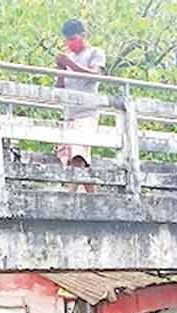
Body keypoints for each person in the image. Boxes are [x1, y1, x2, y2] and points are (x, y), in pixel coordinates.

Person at [53, 19, 107, 190]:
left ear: (83, 36)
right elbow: (59, 88)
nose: (70, 43)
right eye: (67, 40)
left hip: (86, 112)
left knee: (78, 155)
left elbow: (95, 75)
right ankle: (93, 198)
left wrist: (70, 64)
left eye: (73, 39)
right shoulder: (68, 57)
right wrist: (61, 69)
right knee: (71, 158)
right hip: (69, 113)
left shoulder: (95, 53)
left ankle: (70, 196)